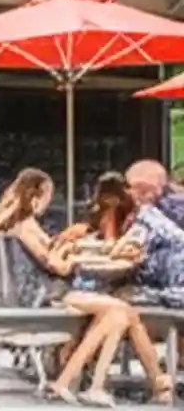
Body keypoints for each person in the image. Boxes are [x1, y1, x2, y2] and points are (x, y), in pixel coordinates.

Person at [41, 172, 170, 405]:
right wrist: (74, 259)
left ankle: (86, 385)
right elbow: (56, 264)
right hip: (70, 293)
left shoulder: (111, 230)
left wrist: (106, 252)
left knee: (119, 316)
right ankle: (155, 385)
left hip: (92, 293)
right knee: (125, 313)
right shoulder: (75, 234)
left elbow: (116, 251)